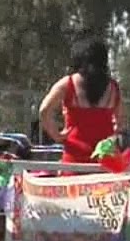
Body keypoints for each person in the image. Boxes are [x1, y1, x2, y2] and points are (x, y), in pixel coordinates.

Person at [39, 37, 125, 167]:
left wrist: (56, 135)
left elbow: (44, 110)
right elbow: (120, 121)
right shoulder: (114, 88)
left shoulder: (67, 84)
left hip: (74, 160)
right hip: (105, 162)